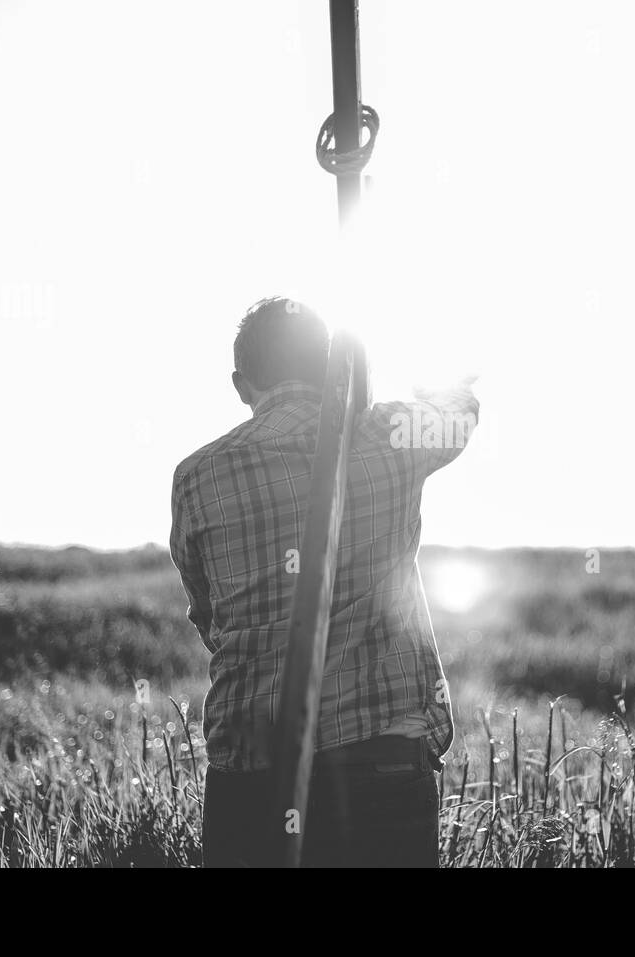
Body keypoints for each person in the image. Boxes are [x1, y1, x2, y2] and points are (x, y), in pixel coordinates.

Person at [169, 296, 478, 867]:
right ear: (331, 364)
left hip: (249, 773)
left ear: (242, 385)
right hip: (379, 765)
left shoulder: (197, 475)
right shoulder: (387, 434)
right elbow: (459, 414)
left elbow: (210, 615)